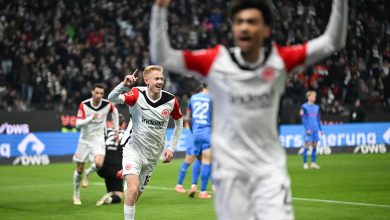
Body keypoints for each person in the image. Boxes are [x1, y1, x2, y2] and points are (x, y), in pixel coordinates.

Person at [150, 0, 348, 219]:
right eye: (239, 22)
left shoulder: (280, 60)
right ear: (233, 27)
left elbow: (333, 42)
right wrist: (159, 9)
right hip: (229, 177)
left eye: (252, 22)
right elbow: (163, 57)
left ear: (266, 29)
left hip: (269, 174)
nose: (245, 27)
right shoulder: (215, 61)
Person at [108, 66, 183, 220]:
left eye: (161, 78)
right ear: (147, 81)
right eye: (156, 78)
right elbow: (112, 98)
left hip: (153, 155)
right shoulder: (136, 93)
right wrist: (123, 84)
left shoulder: (170, 100)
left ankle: (127, 174)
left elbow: (179, 123)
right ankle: (129, 172)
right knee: (133, 190)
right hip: (133, 149)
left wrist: (171, 148)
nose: (160, 81)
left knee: (134, 198)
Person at [72, 83, 119, 205]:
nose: (99, 95)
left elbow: (115, 112)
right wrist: (90, 118)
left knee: (98, 164)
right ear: (92, 92)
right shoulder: (84, 105)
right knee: (79, 169)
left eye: (101, 93)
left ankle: (88, 173)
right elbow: (77, 124)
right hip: (85, 140)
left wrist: (116, 130)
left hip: (98, 139)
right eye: (96, 93)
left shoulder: (106, 104)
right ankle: (76, 194)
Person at [185, 83, 213, 199]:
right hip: (207, 131)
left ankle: (193, 186)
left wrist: (193, 131)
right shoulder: (212, 98)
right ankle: (203, 192)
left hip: (196, 133)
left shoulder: (193, 98)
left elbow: (187, 117)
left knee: (198, 159)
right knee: (207, 161)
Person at [96, 114, 130, 206]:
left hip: (101, 167)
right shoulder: (126, 134)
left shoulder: (105, 132)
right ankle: (110, 198)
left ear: (111, 123)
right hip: (116, 168)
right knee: (119, 196)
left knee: (111, 188)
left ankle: (110, 193)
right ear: (124, 125)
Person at [300, 91, 322, 170]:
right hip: (308, 130)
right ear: (308, 97)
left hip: (315, 129)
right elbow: (303, 119)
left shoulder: (317, 107)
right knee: (306, 146)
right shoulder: (304, 107)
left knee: (315, 146)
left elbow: (318, 119)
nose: (314, 98)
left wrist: (320, 129)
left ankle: (313, 163)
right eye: (312, 97)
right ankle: (305, 163)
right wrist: (307, 129)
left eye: (315, 97)